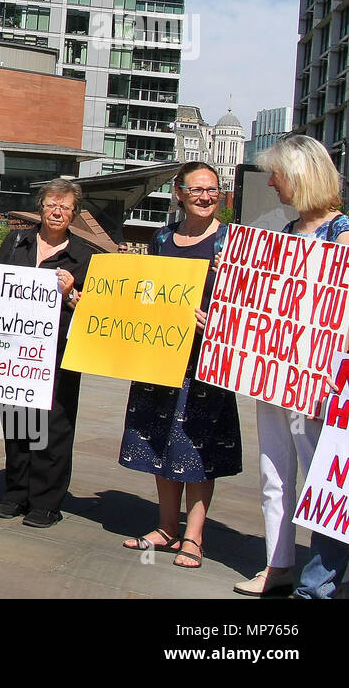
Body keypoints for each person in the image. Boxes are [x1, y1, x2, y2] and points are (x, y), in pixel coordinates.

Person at [236, 135, 349, 597]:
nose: (273, 183)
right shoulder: (284, 234)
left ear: (300, 176)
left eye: (278, 174)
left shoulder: (341, 234)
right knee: (273, 472)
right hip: (277, 372)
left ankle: (323, 579)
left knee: (325, 479)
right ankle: (278, 564)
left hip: (319, 381)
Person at [119, 161, 240, 569]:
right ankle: (167, 527)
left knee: (197, 446)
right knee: (159, 440)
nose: (206, 197)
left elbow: (254, 305)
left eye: (213, 189)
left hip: (205, 362)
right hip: (162, 357)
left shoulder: (233, 243)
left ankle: (194, 536)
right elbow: (151, 295)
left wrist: (221, 315)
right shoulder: (161, 239)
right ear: (179, 194)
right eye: (196, 190)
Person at [0, 179, 94, 527]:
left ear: (75, 214)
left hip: (58, 354)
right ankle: (16, 494)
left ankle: (46, 502)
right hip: (13, 351)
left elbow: (96, 311)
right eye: (52, 204)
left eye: (65, 207)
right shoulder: (15, 242)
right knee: (17, 422)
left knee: (53, 426)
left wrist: (71, 293)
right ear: (41, 207)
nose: (57, 211)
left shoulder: (85, 255)